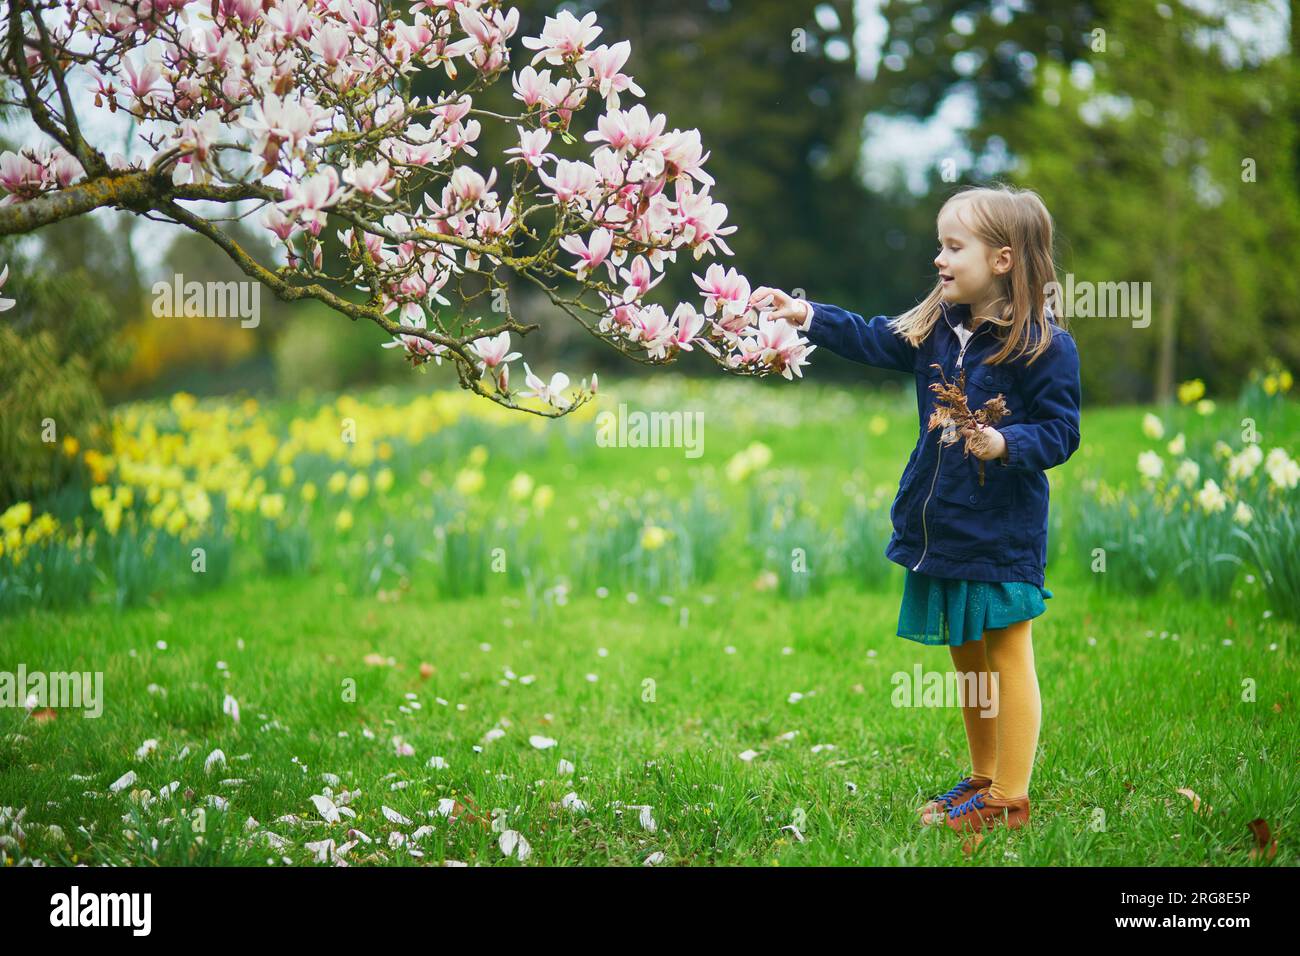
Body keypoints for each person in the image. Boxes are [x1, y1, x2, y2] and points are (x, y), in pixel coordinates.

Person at [748, 184, 1082, 834]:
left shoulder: (1042, 346)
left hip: (1001, 532)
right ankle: (982, 779)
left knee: (1008, 653)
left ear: (1004, 260)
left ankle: (1008, 801)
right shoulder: (938, 330)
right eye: (939, 245)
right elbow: (875, 338)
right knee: (965, 653)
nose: (939, 258)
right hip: (945, 525)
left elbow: (1063, 431)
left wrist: (1007, 442)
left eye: (954, 246)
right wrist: (804, 313)